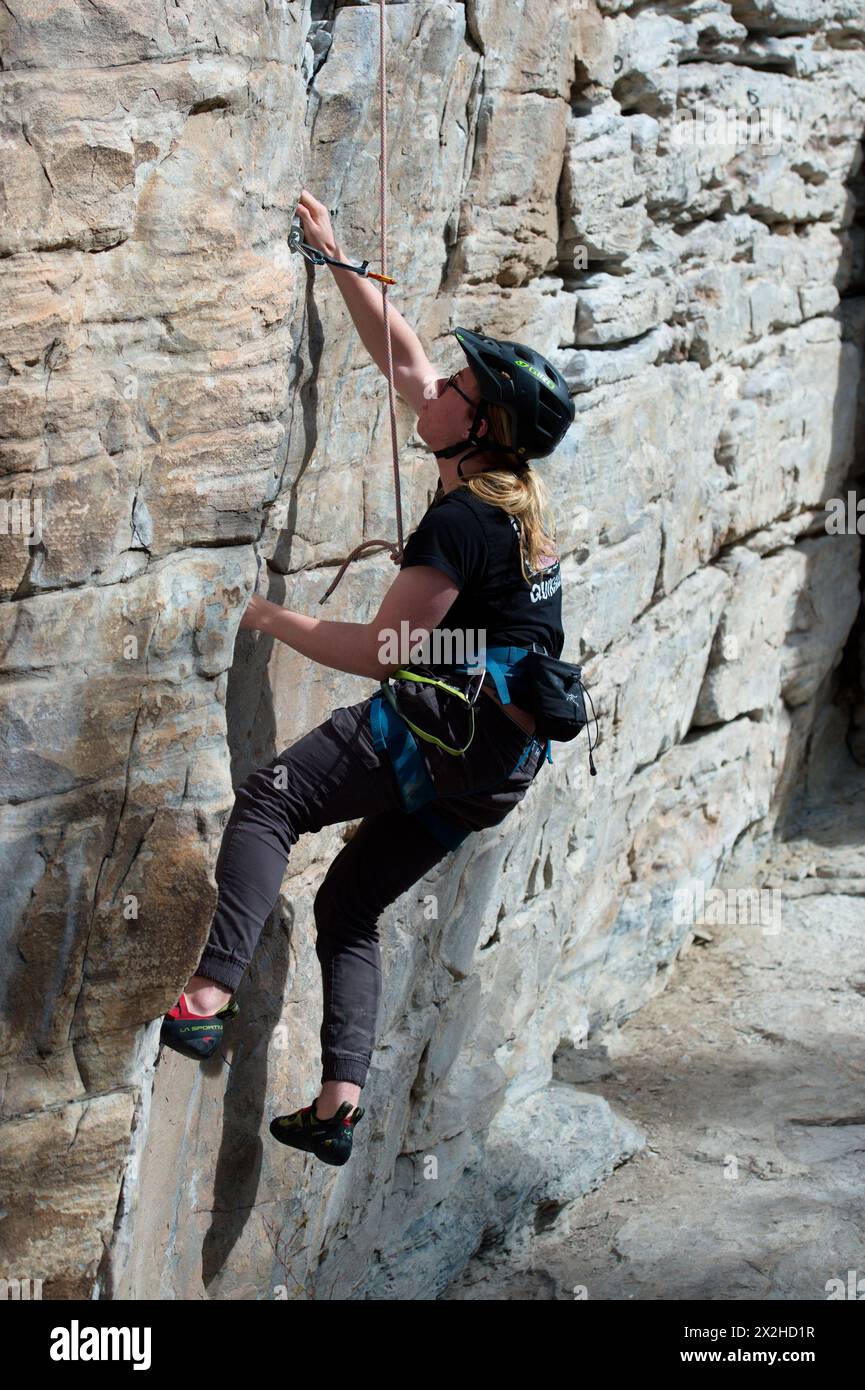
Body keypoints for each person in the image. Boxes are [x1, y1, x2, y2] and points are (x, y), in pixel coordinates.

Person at [160, 190, 576, 1167]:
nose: (437, 383)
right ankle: (340, 1100)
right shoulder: (504, 499)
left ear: (477, 426)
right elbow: (404, 361)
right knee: (348, 906)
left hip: (443, 734)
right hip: (497, 769)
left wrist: (262, 613)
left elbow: (385, 653)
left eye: (458, 385)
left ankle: (206, 997)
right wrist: (336, 257)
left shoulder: (461, 523)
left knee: (272, 799)